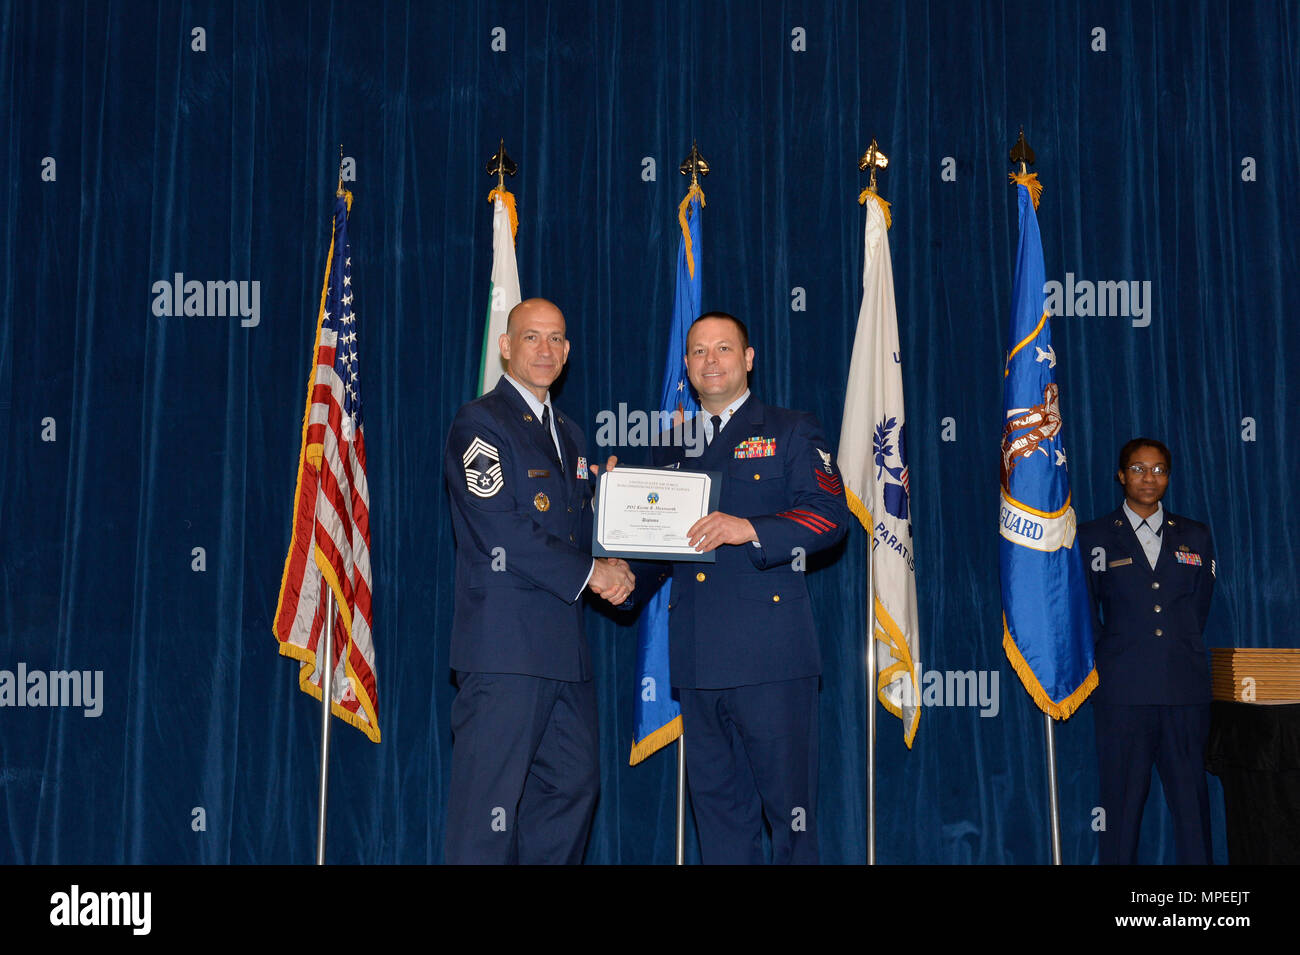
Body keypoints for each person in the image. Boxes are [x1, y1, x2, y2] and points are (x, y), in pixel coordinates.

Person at [638, 311, 849, 863]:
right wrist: (613, 541)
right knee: (720, 826)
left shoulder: (791, 428)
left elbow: (831, 517)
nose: (711, 361)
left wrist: (750, 528)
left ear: (748, 358)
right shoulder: (669, 447)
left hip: (772, 661)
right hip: (698, 664)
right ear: (685, 366)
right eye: (699, 351)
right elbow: (661, 549)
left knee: (791, 823)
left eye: (723, 348)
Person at [442, 297, 633, 864]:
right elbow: (501, 529)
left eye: (555, 339)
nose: (545, 349)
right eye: (532, 338)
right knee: (486, 814)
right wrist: (591, 573)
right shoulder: (479, 422)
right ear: (506, 346)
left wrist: (612, 503)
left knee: (573, 791)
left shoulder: (571, 434)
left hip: (564, 656)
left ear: (568, 351)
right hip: (504, 653)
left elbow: (570, 529)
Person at [1078, 438, 1216, 864]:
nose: (1148, 478)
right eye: (1138, 469)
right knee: (1120, 810)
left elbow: (1198, 606)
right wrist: (1117, 659)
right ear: (1121, 476)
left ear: (1168, 477)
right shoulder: (1093, 537)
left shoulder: (1195, 534)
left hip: (1184, 692)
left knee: (1193, 810)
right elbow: (1086, 612)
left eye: (1158, 470)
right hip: (1123, 695)